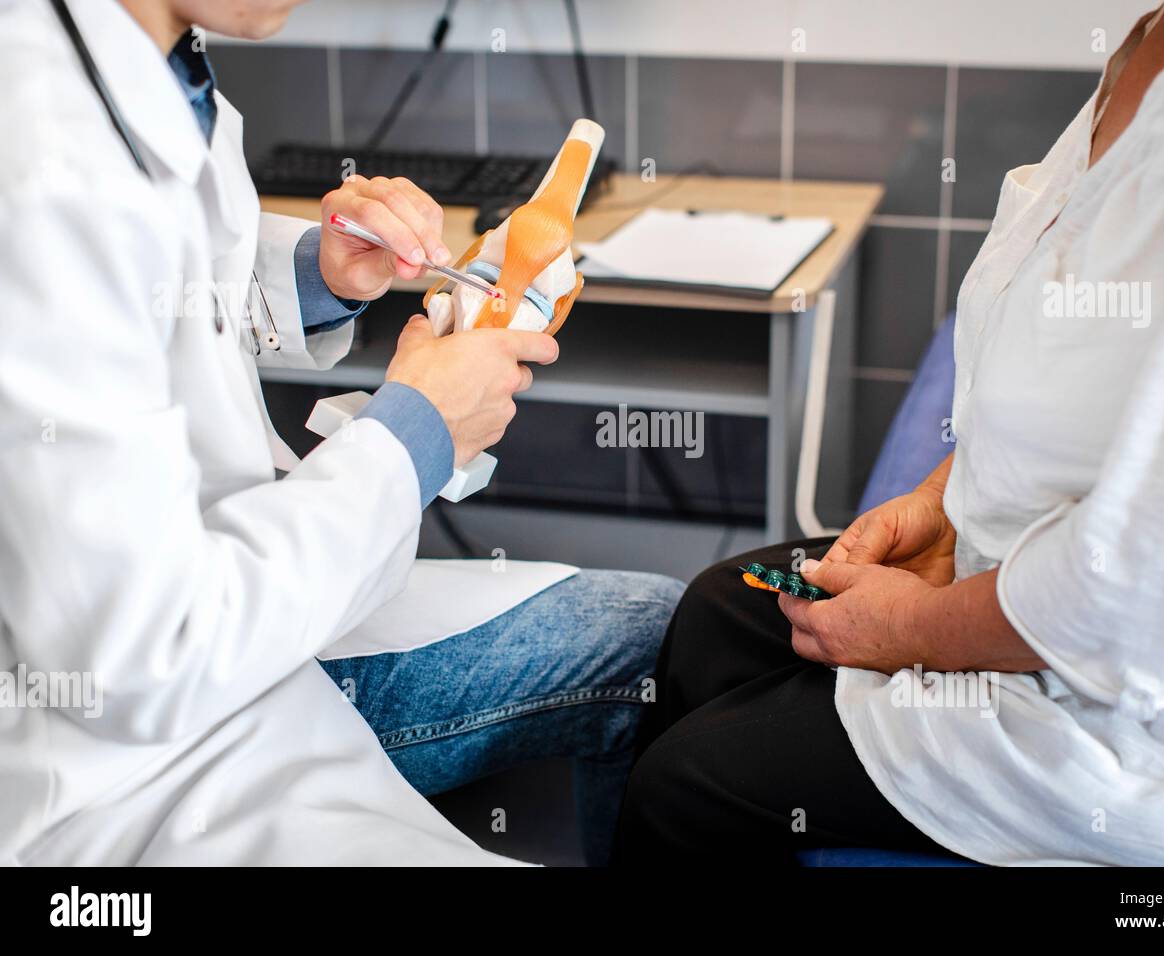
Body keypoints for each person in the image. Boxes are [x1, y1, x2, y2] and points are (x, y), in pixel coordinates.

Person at [616, 0, 1164, 866]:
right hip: (1031, 580)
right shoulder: (1162, 34)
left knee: (686, 789)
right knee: (719, 611)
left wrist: (916, 627)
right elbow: (1074, 367)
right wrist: (949, 501)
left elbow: (1152, 584)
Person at [0, 0, 682, 866]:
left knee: (658, 631)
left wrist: (318, 274)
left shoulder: (141, 57)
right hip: (122, 770)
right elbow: (149, 656)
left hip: (256, 626)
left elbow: (164, 285)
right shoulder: (40, 164)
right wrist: (414, 435)